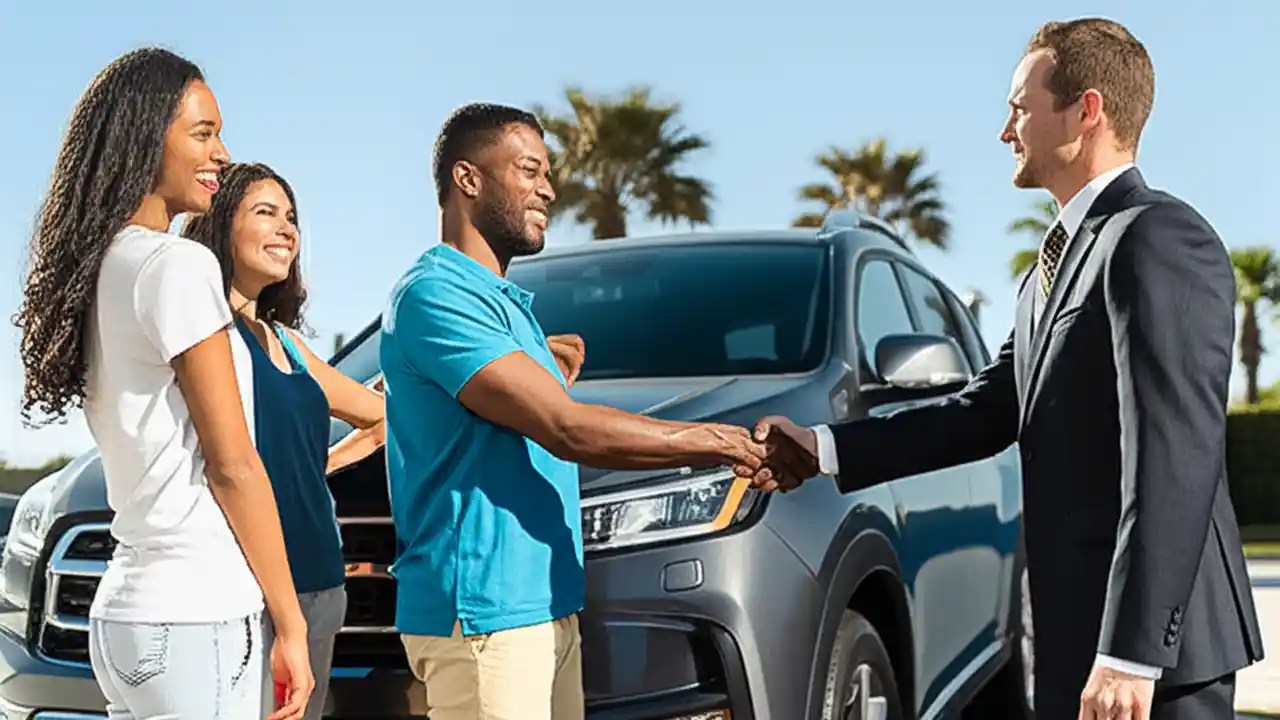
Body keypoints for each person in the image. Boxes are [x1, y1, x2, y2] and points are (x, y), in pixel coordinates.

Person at [752, 18, 1264, 720]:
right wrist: (822, 448)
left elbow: (1175, 454)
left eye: (1019, 108)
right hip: (1075, 645)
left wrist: (1131, 654)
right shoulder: (1046, 274)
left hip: (1153, 669)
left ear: (1085, 111)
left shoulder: (1156, 238)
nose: (1004, 131)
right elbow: (984, 412)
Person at [380, 102, 768, 720]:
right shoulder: (436, 294)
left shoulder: (501, 304)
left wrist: (538, 358)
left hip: (546, 606)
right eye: (529, 170)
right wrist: (721, 442)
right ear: (468, 178)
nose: (549, 190)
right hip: (484, 620)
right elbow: (566, 428)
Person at [13, 48, 313, 719]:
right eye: (202, 134)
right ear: (145, 137)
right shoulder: (177, 266)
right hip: (197, 616)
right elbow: (233, 464)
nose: (221, 154)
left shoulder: (101, 269)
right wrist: (290, 622)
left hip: (125, 617)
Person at [181, 161, 386, 718]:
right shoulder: (204, 333)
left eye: (291, 217)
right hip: (246, 593)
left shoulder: (289, 345)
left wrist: (311, 469)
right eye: (265, 213)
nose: (287, 229)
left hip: (321, 584)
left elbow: (382, 419)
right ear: (221, 225)